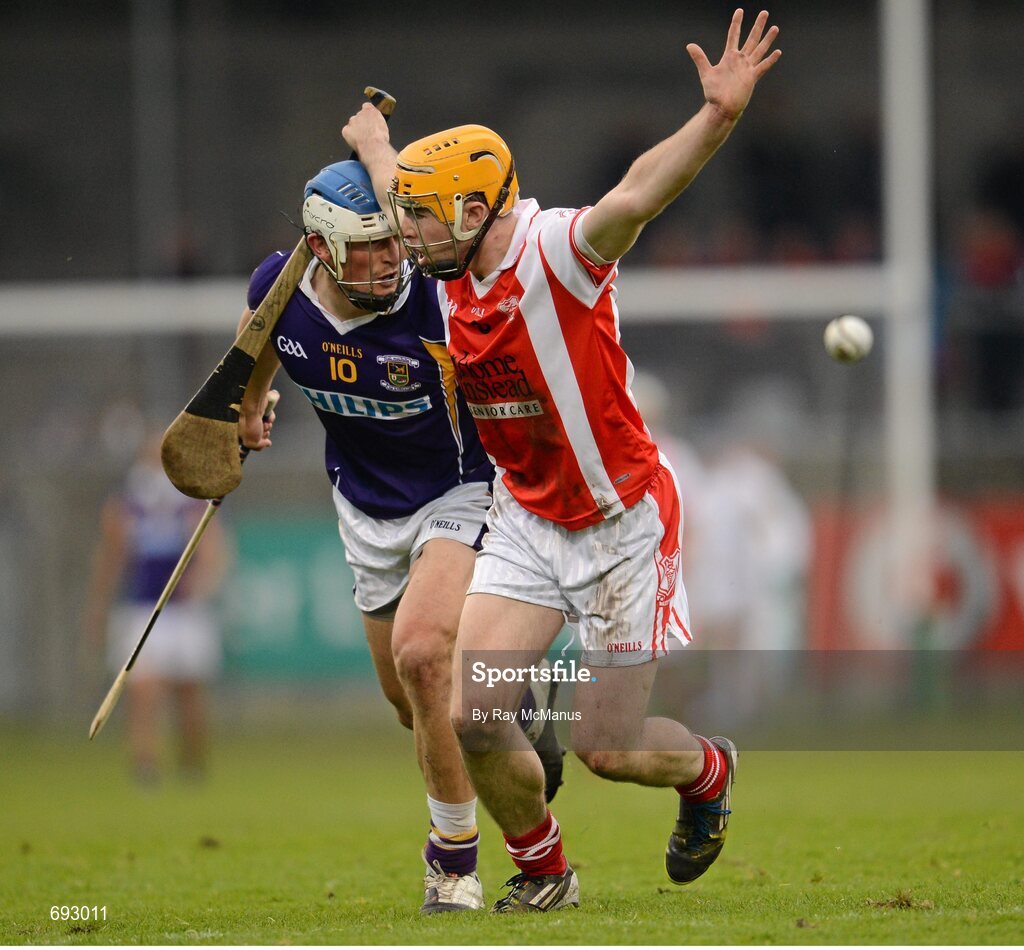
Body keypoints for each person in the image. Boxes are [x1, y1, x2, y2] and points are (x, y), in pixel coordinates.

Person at [345, 7, 781, 912]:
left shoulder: (559, 253)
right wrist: (376, 141)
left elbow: (636, 193)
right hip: (529, 522)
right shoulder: (451, 258)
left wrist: (718, 117)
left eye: (419, 222)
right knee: (473, 712)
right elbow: (404, 188)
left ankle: (706, 771)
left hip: (621, 520)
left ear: (474, 212)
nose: (406, 239)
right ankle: (545, 870)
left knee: (607, 750)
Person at [236, 158, 564, 913]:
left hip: (461, 490)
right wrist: (250, 409)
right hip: (364, 508)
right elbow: (256, 344)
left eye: (394, 242)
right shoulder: (278, 290)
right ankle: (512, 715)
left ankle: (453, 864)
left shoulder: (437, 296)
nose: (390, 261)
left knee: (424, 656)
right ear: (321, 248)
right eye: (368, 248)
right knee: (410, 701)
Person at [83, 434, 229, 784]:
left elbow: (212, 549)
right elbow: (111, 558)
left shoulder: (192, 499)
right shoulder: (126, 505)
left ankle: (192, 765)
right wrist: (98, 607)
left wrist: (201, 581)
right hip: (143, 610)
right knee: (143, 689)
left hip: (185, 611)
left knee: (189, 691)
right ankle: (145, 764)